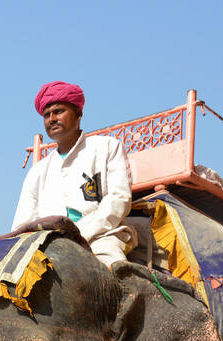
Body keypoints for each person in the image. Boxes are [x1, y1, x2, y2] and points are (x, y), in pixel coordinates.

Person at [11, 81, 135, 267]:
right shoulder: (37, 171)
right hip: (46, 245)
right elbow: (23, 223)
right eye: (46, 115)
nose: (52, 118)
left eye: (59, 111)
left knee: (112, 270)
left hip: (100, 238)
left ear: (78, 113)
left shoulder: (107, 147)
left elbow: (119, 199)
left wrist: (78, 234)